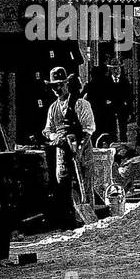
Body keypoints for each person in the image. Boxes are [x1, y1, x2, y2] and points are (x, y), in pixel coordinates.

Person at [42, 68, 96, 227]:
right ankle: (69, 223)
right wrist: (54, 137)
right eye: (54, 86)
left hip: (82, 151)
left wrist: (79, 152)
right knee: (64, 187)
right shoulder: (53, 108)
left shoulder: (81, 104)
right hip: (62, 154)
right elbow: (47, 130)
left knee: (84, 187)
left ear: (66, 84)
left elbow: (88, 130)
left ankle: (88, 223)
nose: (57, 89)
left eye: (60, 85)